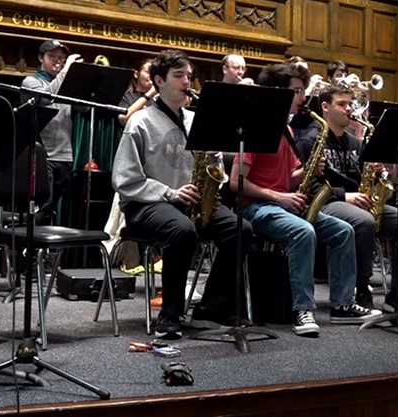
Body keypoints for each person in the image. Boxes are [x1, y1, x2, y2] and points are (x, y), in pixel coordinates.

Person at [230, 62, 378, 337]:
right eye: (297, 91)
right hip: (256, 208)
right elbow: (236, 182)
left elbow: (288, 177)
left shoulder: (285, 129)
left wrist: (308, 170)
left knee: (343, 231)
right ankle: (303, 308)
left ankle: (342, 304)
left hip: (281, 204)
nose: (303, 97)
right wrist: (280, 196)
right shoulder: (257, 126)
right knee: (303, 231)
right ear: (279, 92)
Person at [112, 49, 252, 338]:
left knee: (241, 229)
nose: (187, 82)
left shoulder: (194, 119)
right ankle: (170, 313)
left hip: (189, 202)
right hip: (146, 204)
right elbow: (124, 179)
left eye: (189, 76)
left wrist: (214, 158)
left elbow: (213, 172)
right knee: (183, 230)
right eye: (179, 76)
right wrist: (170, 193)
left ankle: (211, 309)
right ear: (159, 81)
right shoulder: (140, 121)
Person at [294, 85, 398, 315]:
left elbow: (364, 178)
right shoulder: (310, 140)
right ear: (325, 107)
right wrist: (345, 195)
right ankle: (361, 289)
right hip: (327, 202)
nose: (349, 109)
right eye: (342, 104)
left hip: (358, 199)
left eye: (350, 104)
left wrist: (378, 172)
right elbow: (306, 186)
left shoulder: (354, 142)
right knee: (364, 220)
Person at [22, 40, 84, 223]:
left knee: (51, 210)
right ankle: (30, 241)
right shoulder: (31, 82)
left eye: (62, 58)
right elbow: (46, 98)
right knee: (41, 208)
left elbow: (83, 108)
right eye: (53, 57)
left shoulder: (65, 83)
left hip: (64, 154)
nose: (58, 61)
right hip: (43, 155)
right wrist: (66, 71)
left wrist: (82, 83)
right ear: (41, 58)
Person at [117, 57, 156, 126]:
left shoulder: (159, 97)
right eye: (147, 72)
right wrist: (149, 94)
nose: (151, 76)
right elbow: (123, 119)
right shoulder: (127, 96)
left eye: (153, 73)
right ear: (136, 74)